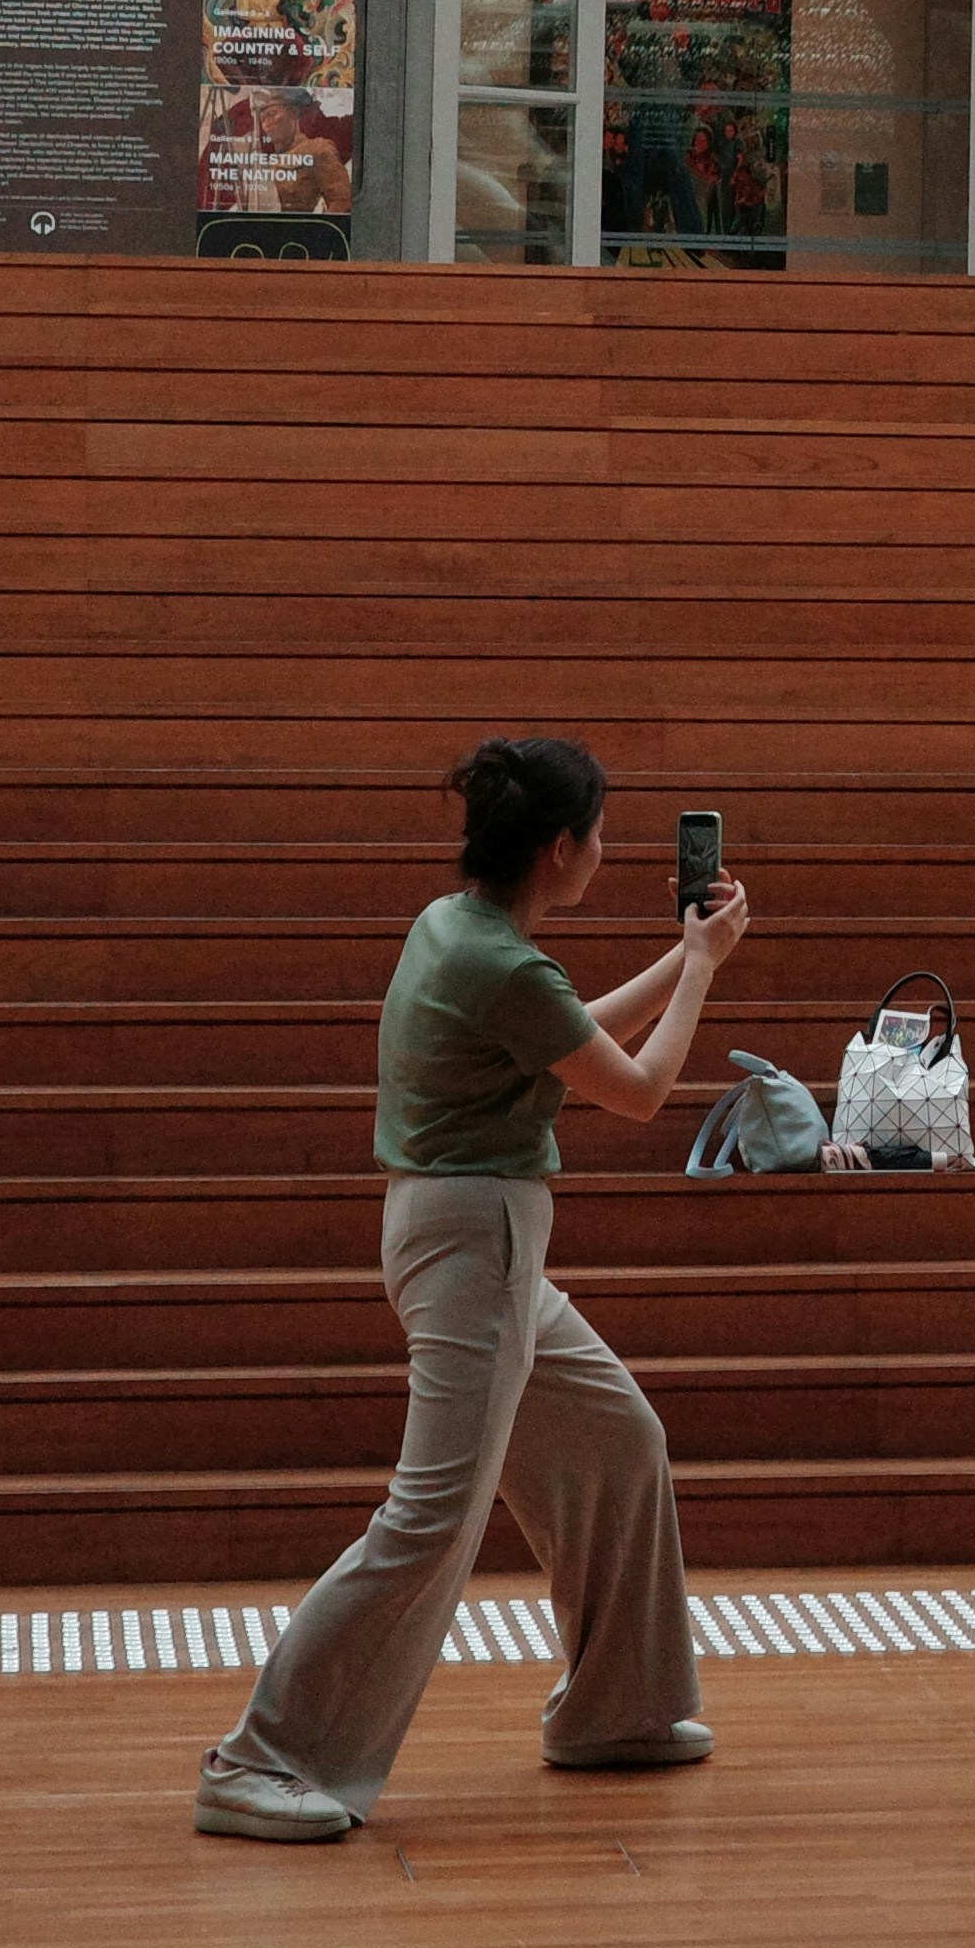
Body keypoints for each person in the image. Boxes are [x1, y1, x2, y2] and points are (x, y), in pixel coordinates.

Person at [193, 736, 752, 1842]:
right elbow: (634, 1090)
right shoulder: (501, 963)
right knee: (433, 1516)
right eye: (596, 836)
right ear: (559, 848)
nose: (602, 853)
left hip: (463, 1238)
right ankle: (262, 1759)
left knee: (615, 1439)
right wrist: (700, 971)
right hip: (477, 1243)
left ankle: (618, 1710)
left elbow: (565, 1030)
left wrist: (686, 954)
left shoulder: (455, 928)